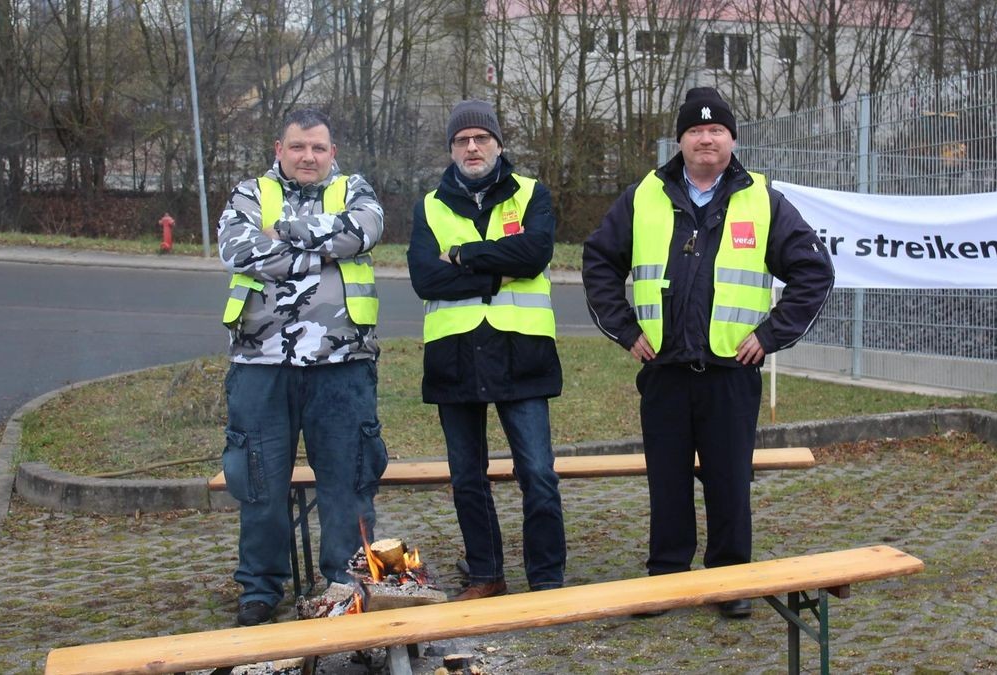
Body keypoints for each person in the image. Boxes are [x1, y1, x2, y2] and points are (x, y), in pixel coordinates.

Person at [582, 87, 834, 619]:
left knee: (728, 480)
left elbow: (814, 271)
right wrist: (626, 330)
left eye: (716, 129)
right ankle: (666, 578)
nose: (705, 138)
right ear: (680, 139)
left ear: (732, 138)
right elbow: (600, 261)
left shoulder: (762, 199)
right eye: (695, 130)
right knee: (666, 480)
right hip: (665, 368)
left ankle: (730, 580)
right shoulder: (644, 195)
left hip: (730, 370)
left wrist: (769, 336)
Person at [217, 109, 388, 626]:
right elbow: (237, 249)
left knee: (348, 482)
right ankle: (260, 590)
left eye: (318, 148)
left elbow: (363, 231)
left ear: (332, 152)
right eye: (298, 147)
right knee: (261, 483)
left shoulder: (355, 190)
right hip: (261, 363)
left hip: (342, 365)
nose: (308, 156)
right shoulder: (249, 193)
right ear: (279, 148)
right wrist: (322, 249)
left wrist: (283, 234)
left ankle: (346, 585)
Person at [407, 100, 566, 600]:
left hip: (522, 351)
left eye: (481, 138)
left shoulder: (531, 194)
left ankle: (546, 578)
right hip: (455, 354)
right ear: (451, 149)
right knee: (467, 478)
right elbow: (424, 278)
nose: (472, 148)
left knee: (537, 473)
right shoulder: (429, 205)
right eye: (461, 141)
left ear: (498, 144)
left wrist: (464, 255)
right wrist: (499, 268)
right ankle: (486, 575)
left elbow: (536, 253)